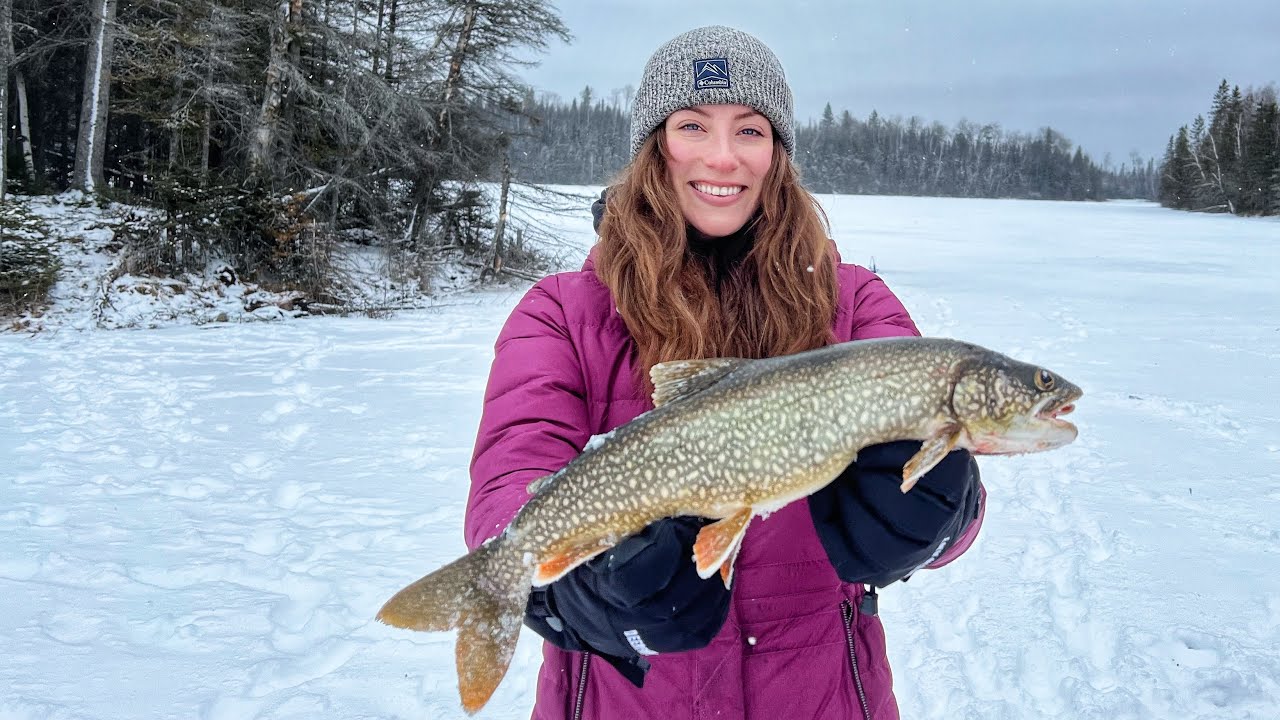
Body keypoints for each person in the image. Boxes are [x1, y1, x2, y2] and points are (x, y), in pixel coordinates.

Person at [464, 25, 985, 720]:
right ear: (654, 146)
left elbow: (955, 514)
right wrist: (581, 597)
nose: (722, 157)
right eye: (692, 126)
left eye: (750, 131)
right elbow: (510, 481)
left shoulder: (855, 303)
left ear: (778, 153)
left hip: (823, 697)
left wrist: (941, 518)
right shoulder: (561, 312)